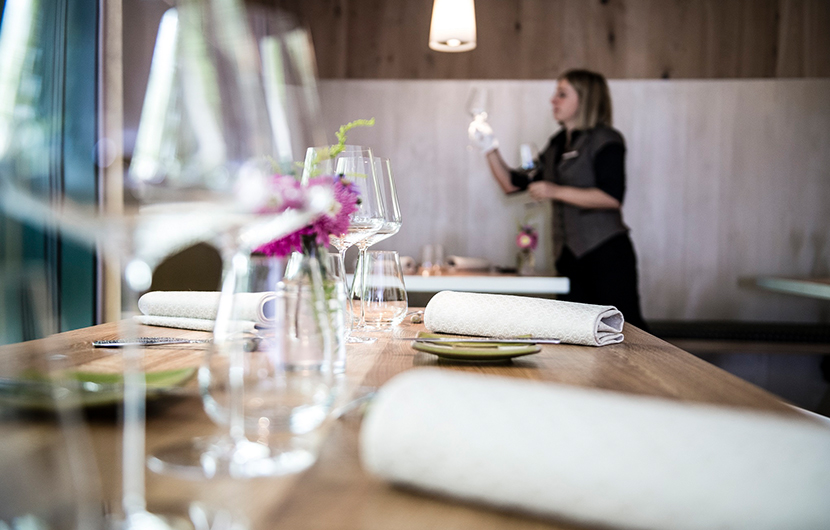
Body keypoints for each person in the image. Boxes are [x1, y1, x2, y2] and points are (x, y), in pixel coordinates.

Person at [470, 69, 647, 330]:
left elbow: (611, 197)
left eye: (562, 94)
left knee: (625, 331)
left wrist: (554, 191)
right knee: (577, 334)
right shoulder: (557, 144)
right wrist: (489, 147)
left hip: (606, 254)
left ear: (585, 99)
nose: (553, 100)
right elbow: (512, 184)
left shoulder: (606, 140)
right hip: (569, 259)